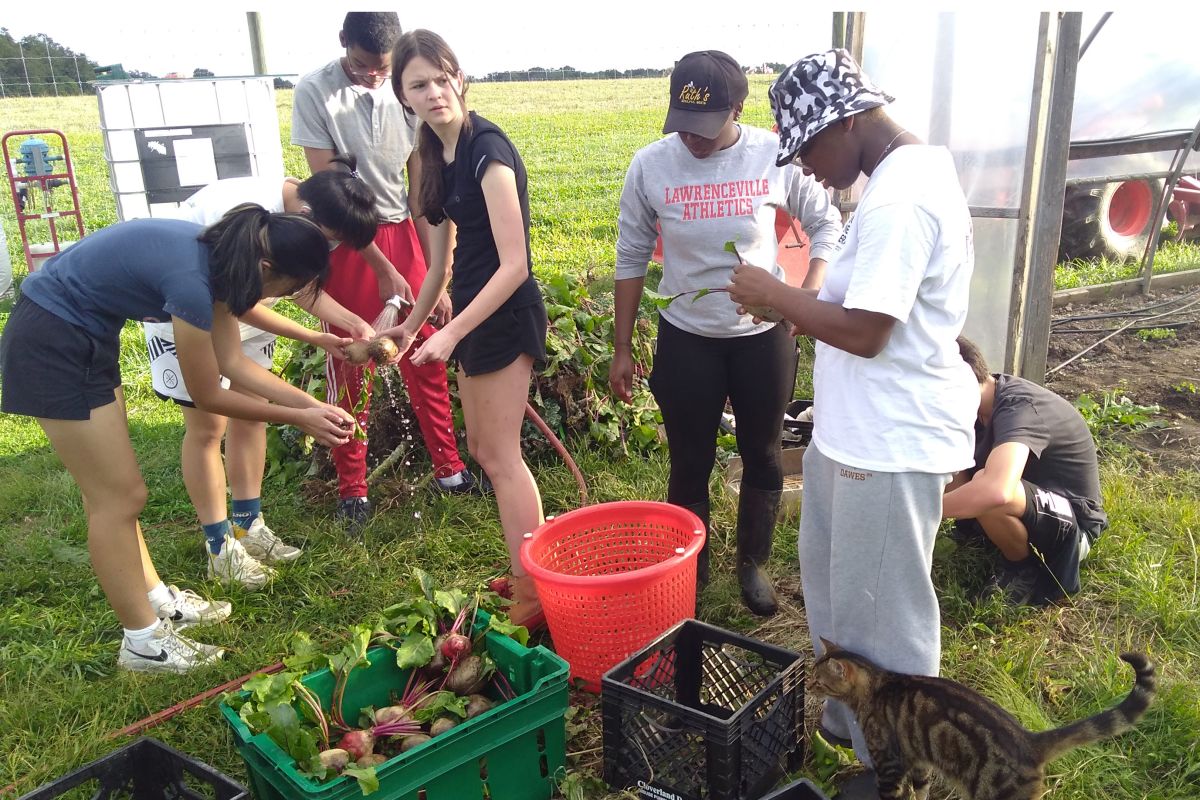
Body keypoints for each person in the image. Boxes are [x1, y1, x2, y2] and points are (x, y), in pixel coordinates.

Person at [726, 49, 977, 789]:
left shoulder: (902, 198)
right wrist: (800, 307)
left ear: (851, 119)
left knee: (884, 618)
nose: (804, 165)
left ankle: (900, 770)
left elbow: (869, 329)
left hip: (891, 439)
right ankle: (851, 727)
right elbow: (858, 312)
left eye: (808, 145)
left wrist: (778, 296)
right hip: (855, 433)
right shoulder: (898, 179)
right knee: (838, 595)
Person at [0, 206, 355, 673]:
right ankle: (143, 644)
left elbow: (232, 362)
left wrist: (309, 409)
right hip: (53, 343)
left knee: (113, 496)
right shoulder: (195, 280)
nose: (276, 300)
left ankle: (154, 600)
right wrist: (297, 417)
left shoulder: (225, 257)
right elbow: (208, 393)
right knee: (118, 498)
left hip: (80, 335)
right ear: (266, 269)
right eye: (285, 291)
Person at [608, 50, 842, 616]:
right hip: (686, 335)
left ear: (737, 108)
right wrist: (620, 348)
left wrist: (804, 295)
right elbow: (632, 253)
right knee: (689, 459)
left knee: (762, 452)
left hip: (761, 336)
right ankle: (694, 564)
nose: (693, 140)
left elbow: (827, 223)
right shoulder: (651, 165)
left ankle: (752, 564)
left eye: (706, 128)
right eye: (683, 127)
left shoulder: (773, 155)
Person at [142, 155, 382, 587]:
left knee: (253, 409)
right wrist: (307, 407)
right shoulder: (238, 210)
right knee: (208, 424)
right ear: (308, 215)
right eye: (330, 242)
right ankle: (220, 546)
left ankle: (248, 525)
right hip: (184, 312)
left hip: (238, 313)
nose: (329, 251)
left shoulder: (297, 221)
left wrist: (347, 325)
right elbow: (234, 298)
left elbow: (294, 289)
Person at [380, 29, 548, 627]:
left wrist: (448, 336)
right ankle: (526, 567)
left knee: (501, 457)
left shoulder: (487, 152)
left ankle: (533, 589)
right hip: (473, 317)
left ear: (461, 76)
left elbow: (515, 265)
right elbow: (440, 265)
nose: (435, 91)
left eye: (442, 77)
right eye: (418, 84)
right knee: (481, 449)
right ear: (403, 96)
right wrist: (411, 328)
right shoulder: (431, 156)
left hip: (504, 314)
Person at [291, 11, 477, 536]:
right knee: (353, 355)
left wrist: (429, 267)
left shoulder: (406, 88)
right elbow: (330, 193)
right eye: (364, 66)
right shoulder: (315, 91)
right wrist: (381, 263)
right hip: (349, 237)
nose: (375, 77)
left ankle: (449, 468)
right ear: (342, 44)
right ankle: (353, 487)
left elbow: (420, 183)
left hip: (405, 232)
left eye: (384, 69)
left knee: (424, 350)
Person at [943, 337, 1107, 606]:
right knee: (952, 459)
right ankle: (984, 535)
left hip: (1073, 528)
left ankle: (1021, 569)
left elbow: (997, 491)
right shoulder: (970, 410)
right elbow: (955, 474)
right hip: (1028, 509)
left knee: (989, 488)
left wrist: (924, 512)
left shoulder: (1020, 408)